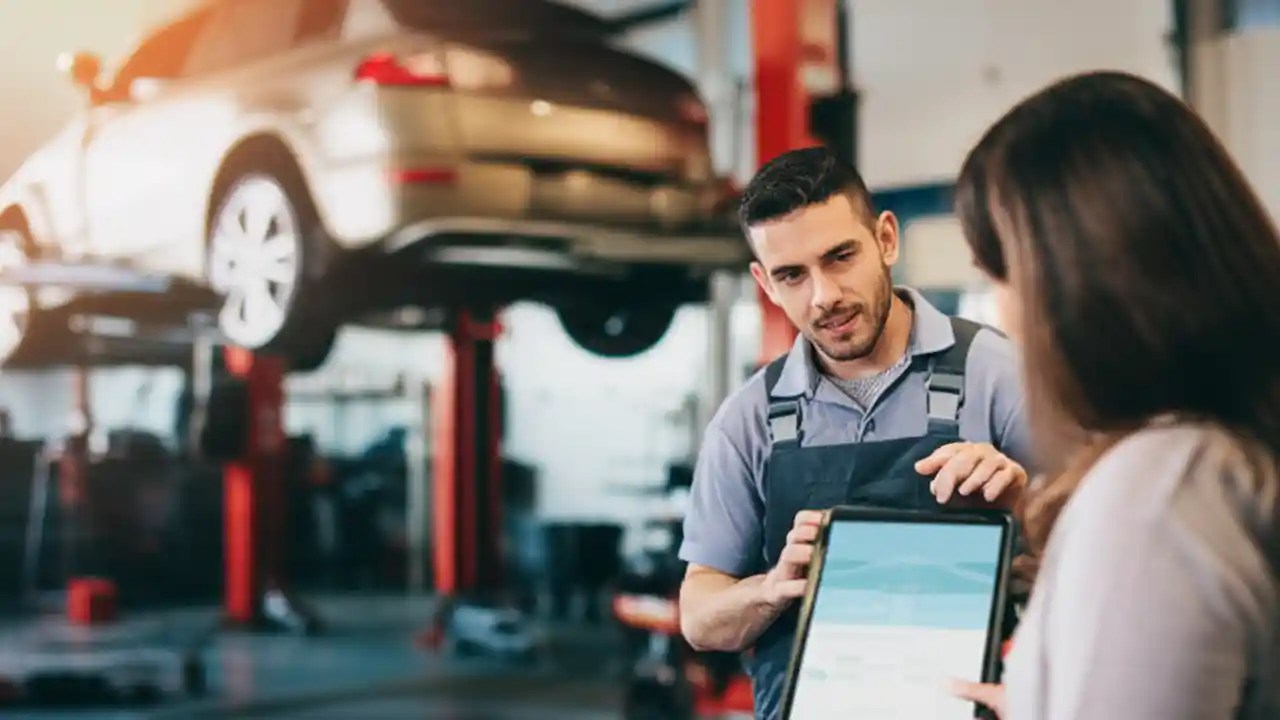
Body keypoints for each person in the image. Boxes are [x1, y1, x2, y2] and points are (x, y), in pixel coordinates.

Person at [946, 71, 1280, 719]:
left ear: (1071, 285)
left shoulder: (1158, 495)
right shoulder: (1224, 461)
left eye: (1000, 276)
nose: (1001, 311)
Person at [677, 146, 1035, 719]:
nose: (824, 296)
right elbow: (699, 617)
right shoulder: (748, 420)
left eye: (840, 257)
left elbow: (1101, 571)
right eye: (792, 275)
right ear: (765, 283)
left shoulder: (1000, 377)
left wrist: (1020, 522)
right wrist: (771, 588)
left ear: (886, 239)